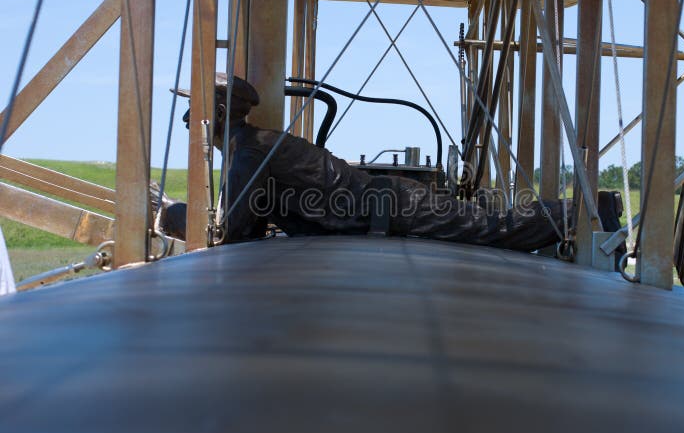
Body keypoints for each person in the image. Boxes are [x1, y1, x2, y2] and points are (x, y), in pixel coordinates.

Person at [157, 73, 623, 255]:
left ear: (220, 113)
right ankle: (584, 212)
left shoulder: (249, 154)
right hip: (388, 205)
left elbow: (235, 234)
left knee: (492, 229)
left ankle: (592, 211)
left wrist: (170, 217)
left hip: (395, 206)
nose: (186, 119)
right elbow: (245, 226)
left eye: (194, 109)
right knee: (490, 226)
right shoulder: (248, 151)